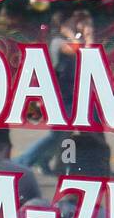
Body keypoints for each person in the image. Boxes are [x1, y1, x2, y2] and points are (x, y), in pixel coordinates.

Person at [14, 9, 89, 173]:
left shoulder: (63, 40)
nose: (77, 24)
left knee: (64, 133)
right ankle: (23, 161)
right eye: (73, 21)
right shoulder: (58, 41)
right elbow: (77, 48)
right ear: (63, 25)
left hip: (68, 94)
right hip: (59, 95)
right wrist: (71, 33)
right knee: (57, 134)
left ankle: (45, 161)